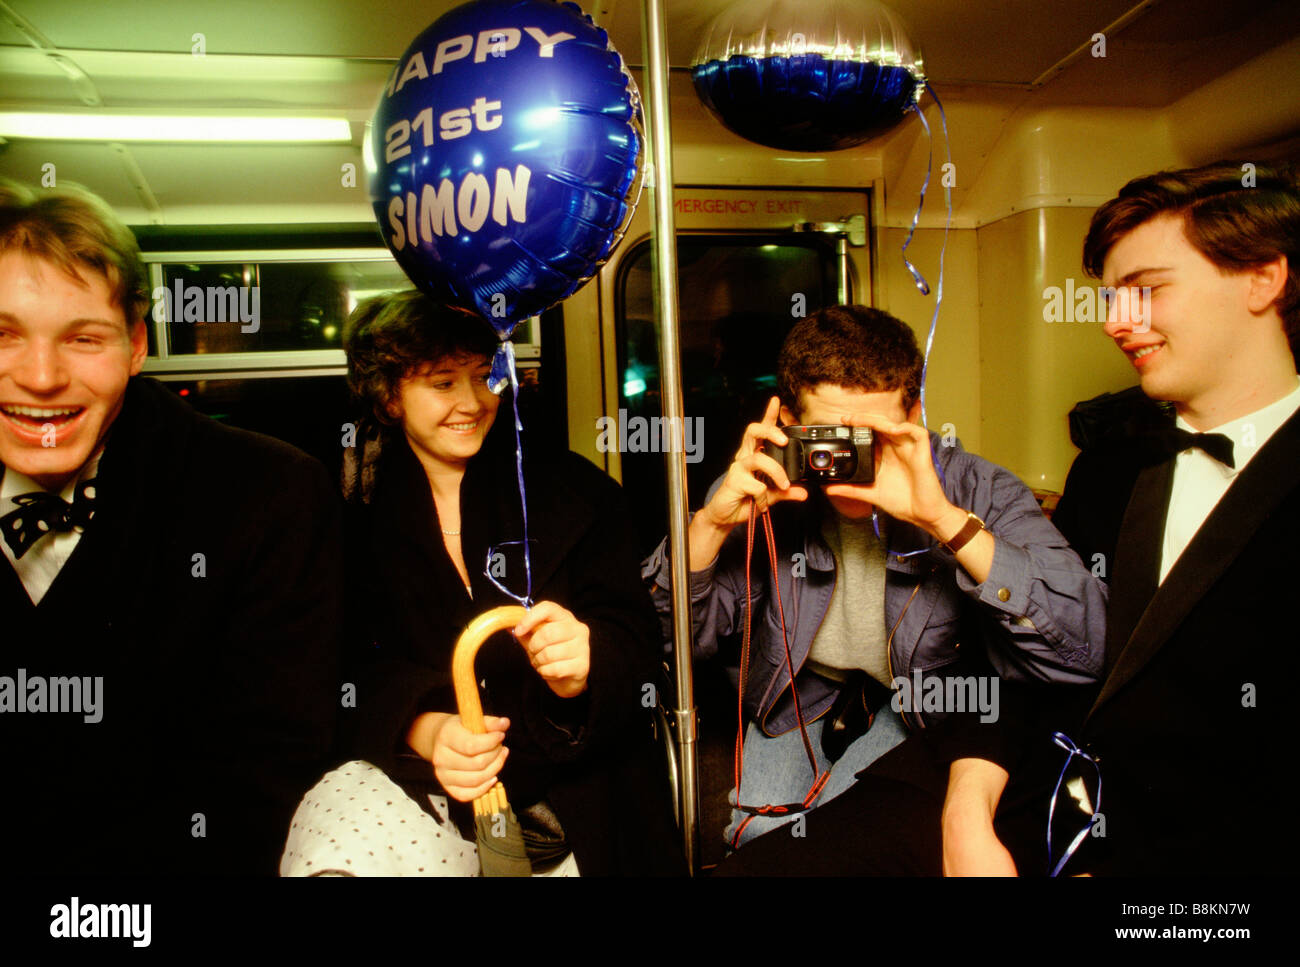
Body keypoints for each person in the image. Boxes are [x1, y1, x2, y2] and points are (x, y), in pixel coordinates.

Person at [714, 161, 1299, 876]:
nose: (1115, 321)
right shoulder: (1112, 467)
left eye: (1145, 290)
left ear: (1262, 279)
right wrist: (967, 800)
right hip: (1015, 765)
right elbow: (1027, 663)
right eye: (1111, 296)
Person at [643, 305, 1107, 849]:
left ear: (914, 414)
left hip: (926, 703)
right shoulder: (761, 487)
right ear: (788, 422)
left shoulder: (976, 488)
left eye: (873, 436)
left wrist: (944, 522)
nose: (851, 456)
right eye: (830, 435)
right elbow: (674, 641)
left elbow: (1085, 649)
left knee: (841, 838)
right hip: (800, 690)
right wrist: (711, 524)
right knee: (758, 836)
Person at [0, 181, 343, 875]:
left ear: (135, 344)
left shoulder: (270, 497)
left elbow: (253, 786)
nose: (40, 376)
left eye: (83, 338)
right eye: (2, 334)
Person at [282, 289, 680, 876]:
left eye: (484, 375)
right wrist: (422, 727)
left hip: (581, 779)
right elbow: (332, 671)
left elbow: (640, 647)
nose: (472, 401)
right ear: (391, 398)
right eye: (443, 383)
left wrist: (588, 666)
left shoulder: (580, 494)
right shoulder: (346, 516)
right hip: (423, 783)